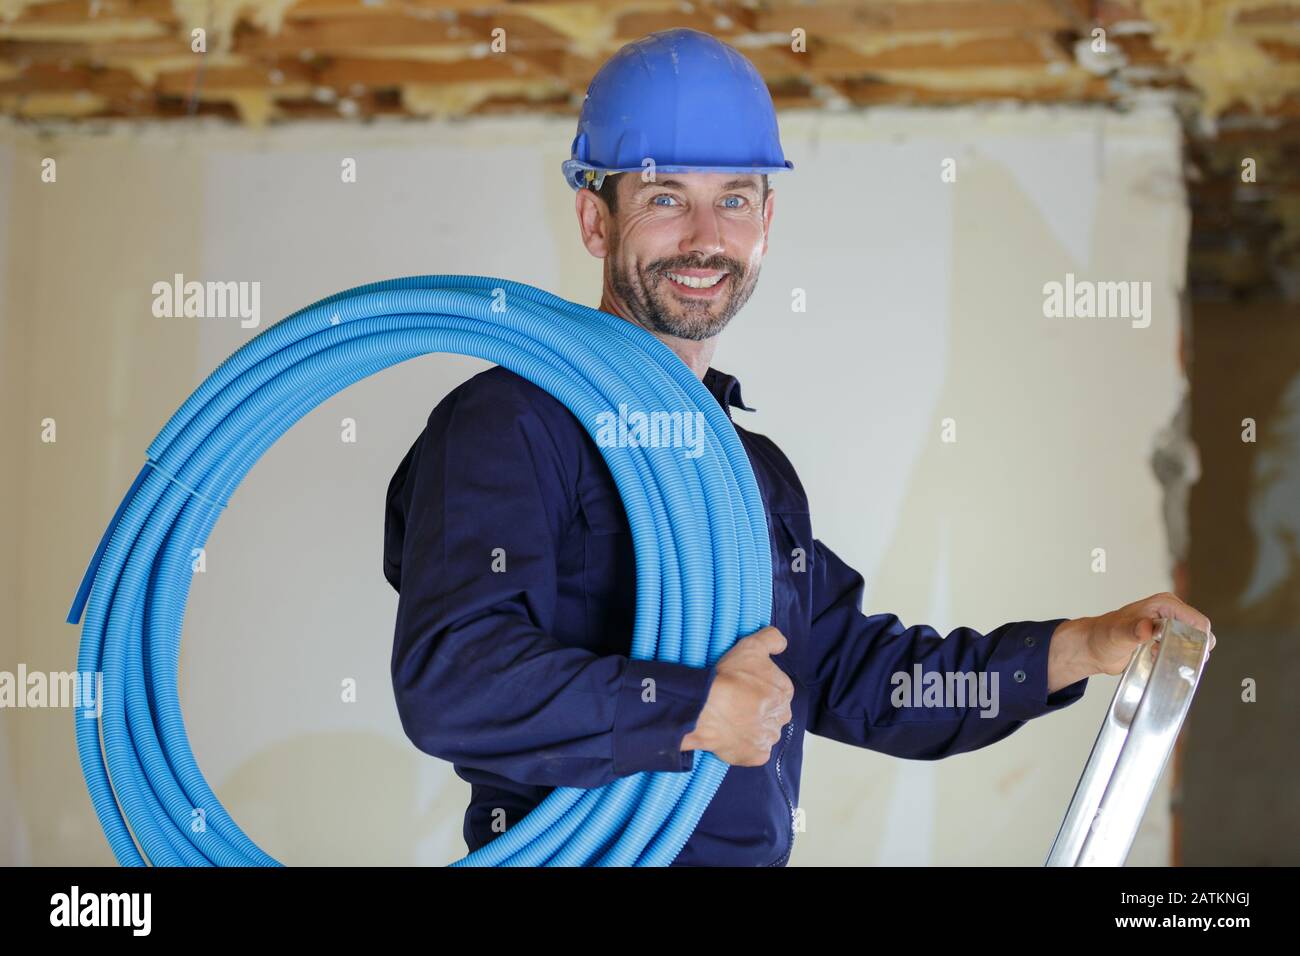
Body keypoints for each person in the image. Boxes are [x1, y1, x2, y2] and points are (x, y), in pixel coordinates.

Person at [383, 28, 1215, 866]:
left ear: (766, 219)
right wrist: (695, 710)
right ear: (595, 220)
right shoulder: (513, 423)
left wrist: (1074, 649)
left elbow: (863, 676)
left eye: (734, 199)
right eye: (665, 197)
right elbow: (457, 679)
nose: (705, 237)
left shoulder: (750, 474)